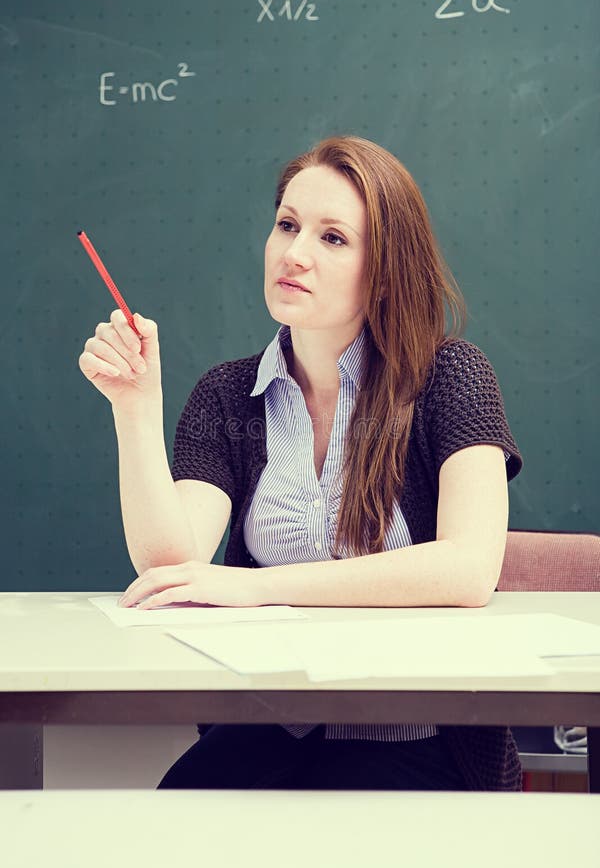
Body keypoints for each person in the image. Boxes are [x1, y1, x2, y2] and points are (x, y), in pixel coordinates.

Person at [79, 135, 523, 791]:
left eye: (332, 238)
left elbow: (468, 569)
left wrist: (256, 587)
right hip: (270, 729)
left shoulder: (450, 376)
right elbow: (173, 566)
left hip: (415, 739)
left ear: (385, 269)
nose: (294, 253)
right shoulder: (228, 394)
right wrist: (136, 408)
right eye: (287, 225)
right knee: (167, 821)